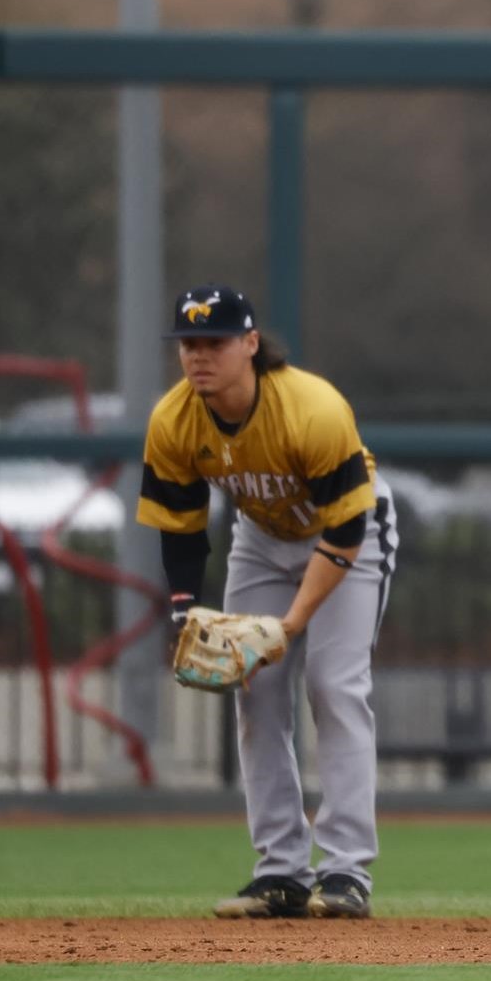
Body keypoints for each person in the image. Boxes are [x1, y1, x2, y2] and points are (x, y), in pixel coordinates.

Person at [136, 285, 397, 920]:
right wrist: (183, 613)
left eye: (215, 342)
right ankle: (280, 871)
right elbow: (181, 528)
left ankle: (345, 871)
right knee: (254, 690)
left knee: (334, 684)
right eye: (188, 345)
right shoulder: (174, 420)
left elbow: (343, 532)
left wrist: (291, 623)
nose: (200, 356)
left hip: (348, 530)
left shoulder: (312, 409)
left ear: (250, 344)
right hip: (260, 538)